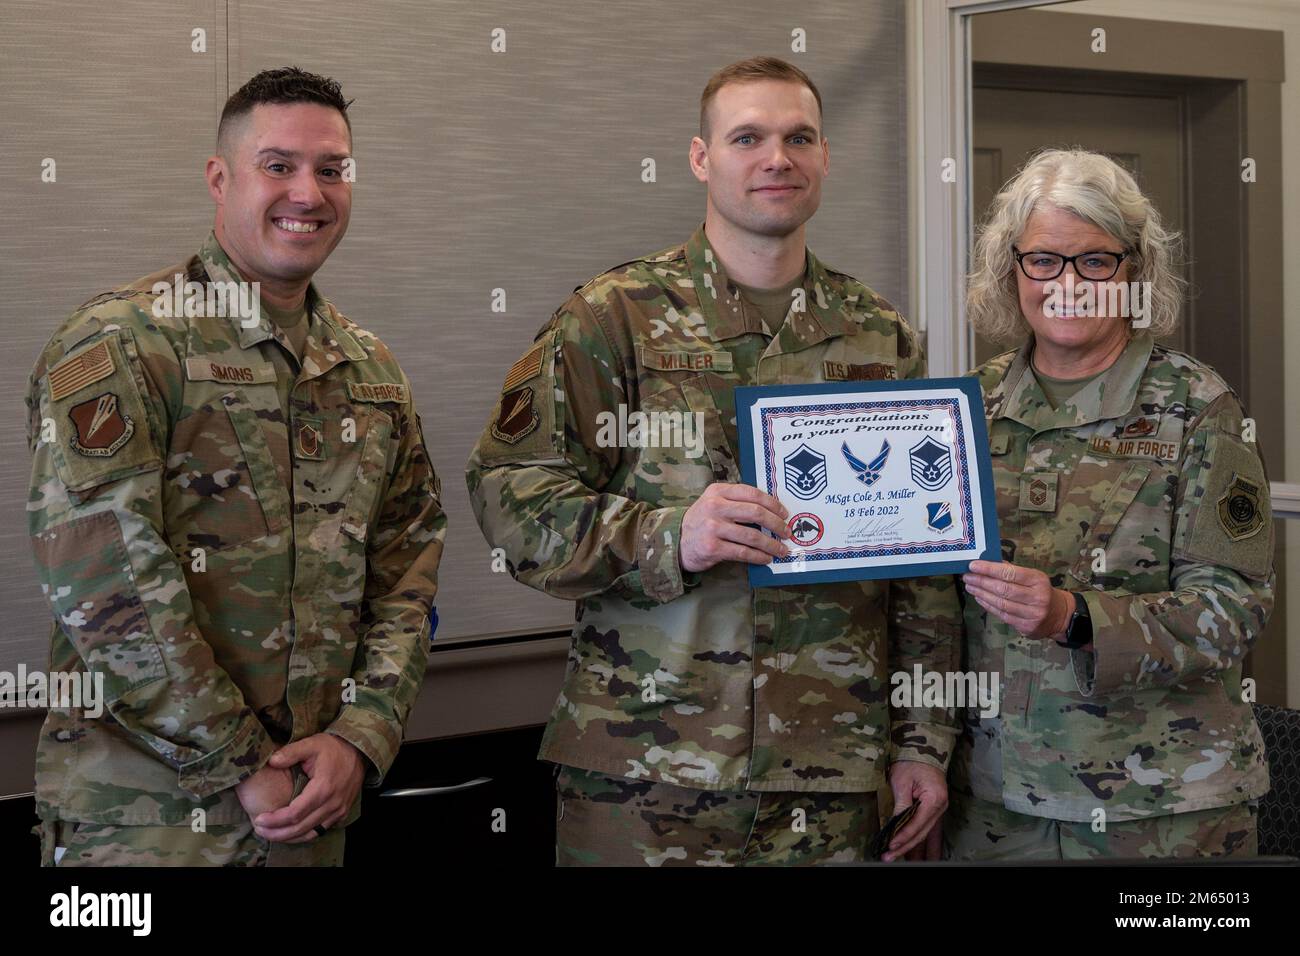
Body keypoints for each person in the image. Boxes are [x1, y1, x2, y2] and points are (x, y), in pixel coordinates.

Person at [466, 56, 959, 866]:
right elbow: (507, 495)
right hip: (647, 767)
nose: (778, 158)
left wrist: (924, 741)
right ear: (702, 158)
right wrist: (669, 537)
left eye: (800, 137)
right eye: (748, 137)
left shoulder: (882, 335)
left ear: (825, 157)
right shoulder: (613, 318)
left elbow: (925, 569)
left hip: (832, 770)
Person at [25, 67, 446, 866]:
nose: (309, 193)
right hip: (147, 823)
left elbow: (409, 566)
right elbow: (103, 577)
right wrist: (240, 763)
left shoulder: (369, 370)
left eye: (332, 170)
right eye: (278, 165)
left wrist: (363, 733)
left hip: (312, 809)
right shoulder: (122, 344)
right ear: (220, 179)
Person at [947, 147, 1272, 859]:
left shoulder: (1198, 408)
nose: (1068, 283)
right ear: (1013, 269)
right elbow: (925, 603)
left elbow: (1232, 610)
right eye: (1043, 260)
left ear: (1133, 272)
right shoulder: (964, 407)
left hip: (1162, 808)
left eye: (1095, 261)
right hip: (997, 805)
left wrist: (1074, 617)